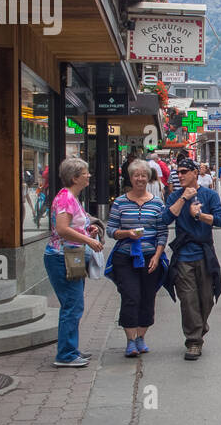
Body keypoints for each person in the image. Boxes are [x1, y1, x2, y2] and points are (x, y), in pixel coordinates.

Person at [162, 157, 221, 360]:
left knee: (206, 298)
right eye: (178, 172)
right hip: (183, 255)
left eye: (183, 172)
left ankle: (199, 326)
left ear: (195, 173)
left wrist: (199, 216)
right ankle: (193, 341)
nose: (179, 175)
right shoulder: (175, 196)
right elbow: (165, 219)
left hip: (205, 253)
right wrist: (183, 199)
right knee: (188, 300)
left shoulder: (210, 195)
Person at [44, 157, 103, 368]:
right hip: (62, 257)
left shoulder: (70, 197)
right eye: (85, 173)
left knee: (74, 303)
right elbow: (61, 229)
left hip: (71, 255)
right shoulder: (66, 198)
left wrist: (88, 230)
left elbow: (71, 227)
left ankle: (71, 348)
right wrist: (89, 240)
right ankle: (66, 354)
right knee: (72, 304)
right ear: (75, 177)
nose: (89, 175)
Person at [106, 160, 168, 358]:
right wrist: (126, 233)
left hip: (151, 256)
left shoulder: (157, 203)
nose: (140, 179)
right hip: (126, 256)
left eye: (143, 175)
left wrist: (157, 256)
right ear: (130, 178)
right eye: (136, 175)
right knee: (131, 296)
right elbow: (111, 230)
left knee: (148, 297)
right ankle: (130, 340)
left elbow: (162, 232)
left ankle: (141, 337)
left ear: (148, 178)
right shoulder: (120, 202)